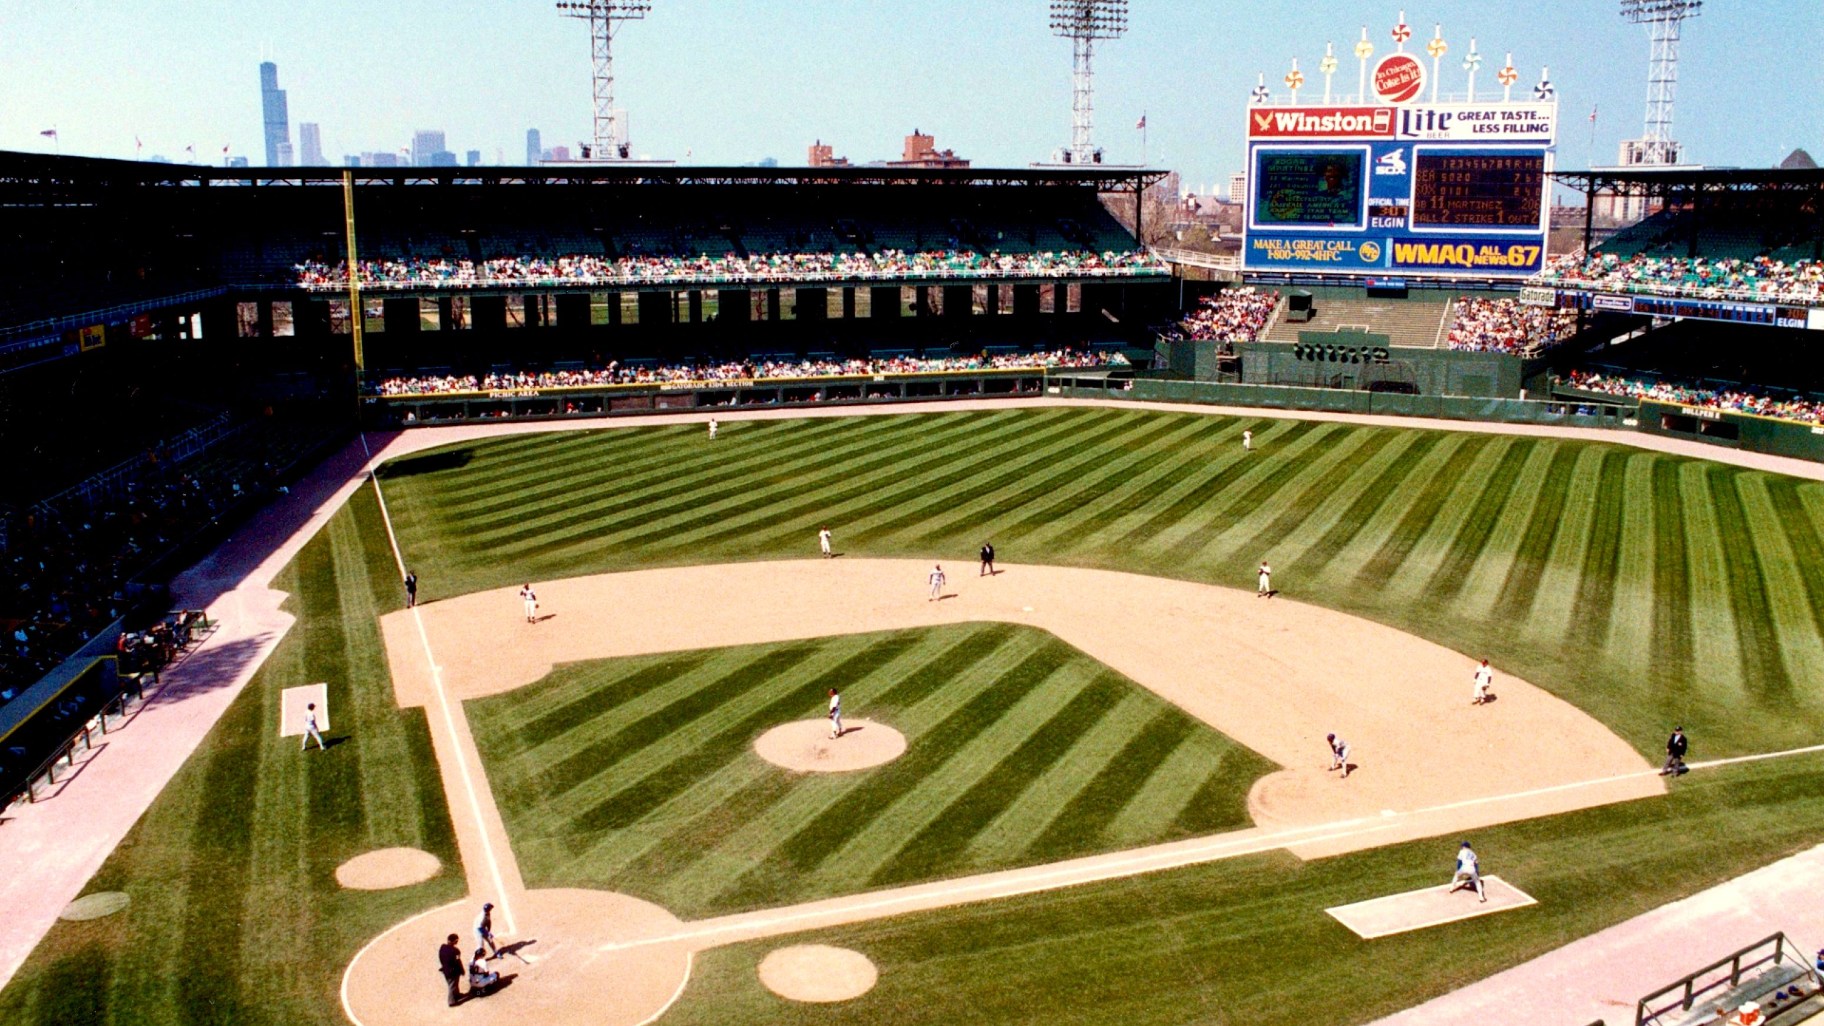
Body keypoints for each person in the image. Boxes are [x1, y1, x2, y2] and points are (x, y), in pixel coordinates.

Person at [438, 933, 466, 1006]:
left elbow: (441, 958)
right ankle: (451, 1002)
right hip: (453, 971)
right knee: (452, 985)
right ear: (454, 941)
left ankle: (457, 995)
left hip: (445, 970)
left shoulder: (442, 947)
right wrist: (462, 970)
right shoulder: (456, 951)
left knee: (454, 984)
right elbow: (458, 961)